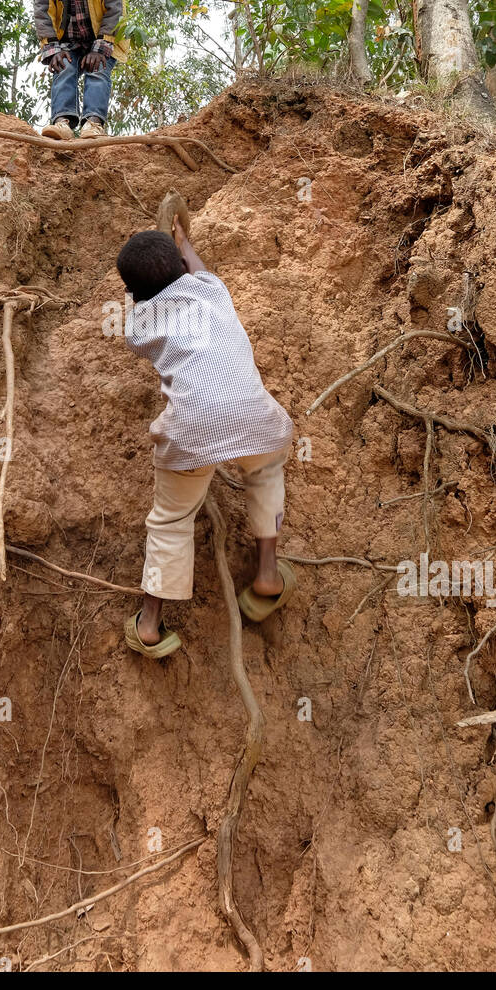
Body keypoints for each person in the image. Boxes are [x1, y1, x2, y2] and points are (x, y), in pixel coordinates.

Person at [116, 213, 296, 659]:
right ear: (182, 267)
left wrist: (142, 290)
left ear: (134, 294)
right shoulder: (213, 290)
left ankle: (150, 625)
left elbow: (144, 304)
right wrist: (183, 241)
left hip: (191, 435)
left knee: (171, 520)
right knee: (267, 472)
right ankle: (267, 575)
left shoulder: (139, 326)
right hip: (259, 421)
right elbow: (196, 266)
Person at [34, 0, 129, 140]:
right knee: (64, 67)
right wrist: (52, 48)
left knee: (97, 70)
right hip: (68, 40)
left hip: (101, 39)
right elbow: (42, 9)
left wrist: (101, 46)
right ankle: (62, 123)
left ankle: (93, 124)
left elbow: (115, 8)